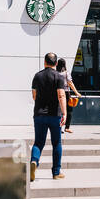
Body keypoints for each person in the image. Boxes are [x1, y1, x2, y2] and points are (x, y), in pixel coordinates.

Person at [30, 52, 66, 181]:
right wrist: (64, 113)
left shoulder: (37, 76)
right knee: (56, 143)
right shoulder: (59, 77)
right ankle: (56, 172)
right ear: (56, 63)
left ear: (44, 62)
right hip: (54, 115)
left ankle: (34, 161)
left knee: (38, 142)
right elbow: (61, 95)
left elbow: (34, 96)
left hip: (39, 114)